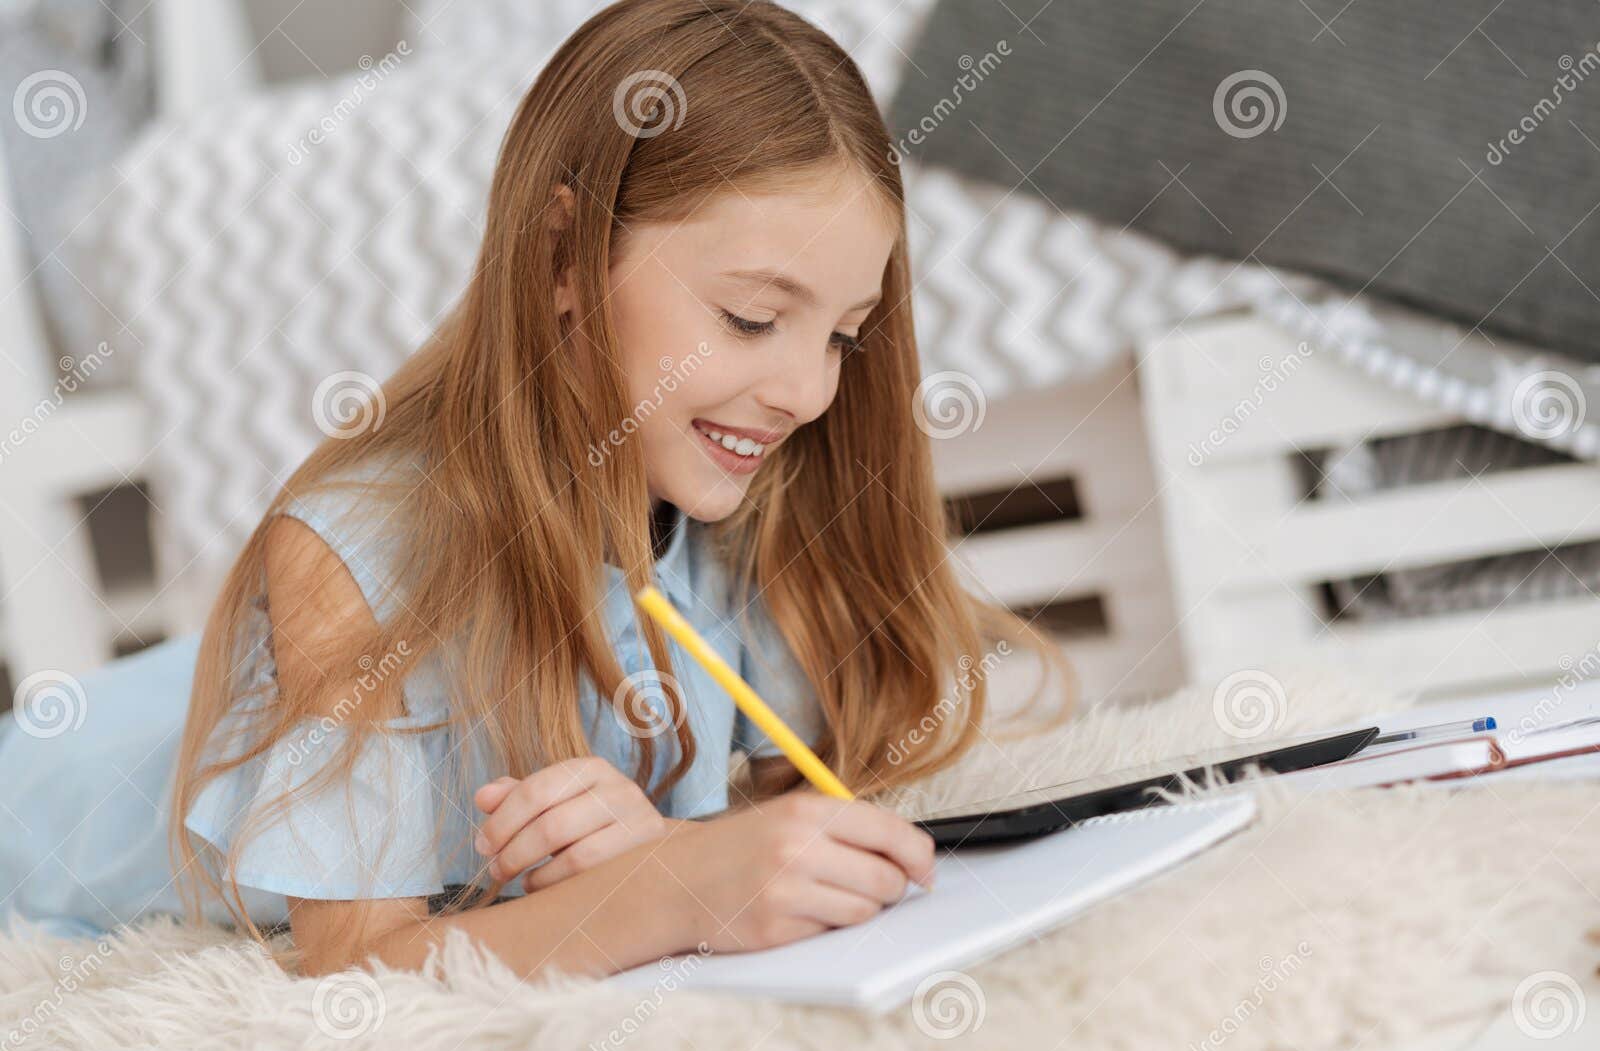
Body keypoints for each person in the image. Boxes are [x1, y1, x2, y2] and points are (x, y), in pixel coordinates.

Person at [0, 0, 1073, 978]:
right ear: (563, 259)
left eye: (844, 336)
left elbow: (785, 810)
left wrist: (662, 850)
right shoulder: (348, 556)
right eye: (750, 318)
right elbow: (351, 967)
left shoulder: (740, 504)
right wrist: (666, 889)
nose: (804, 390)